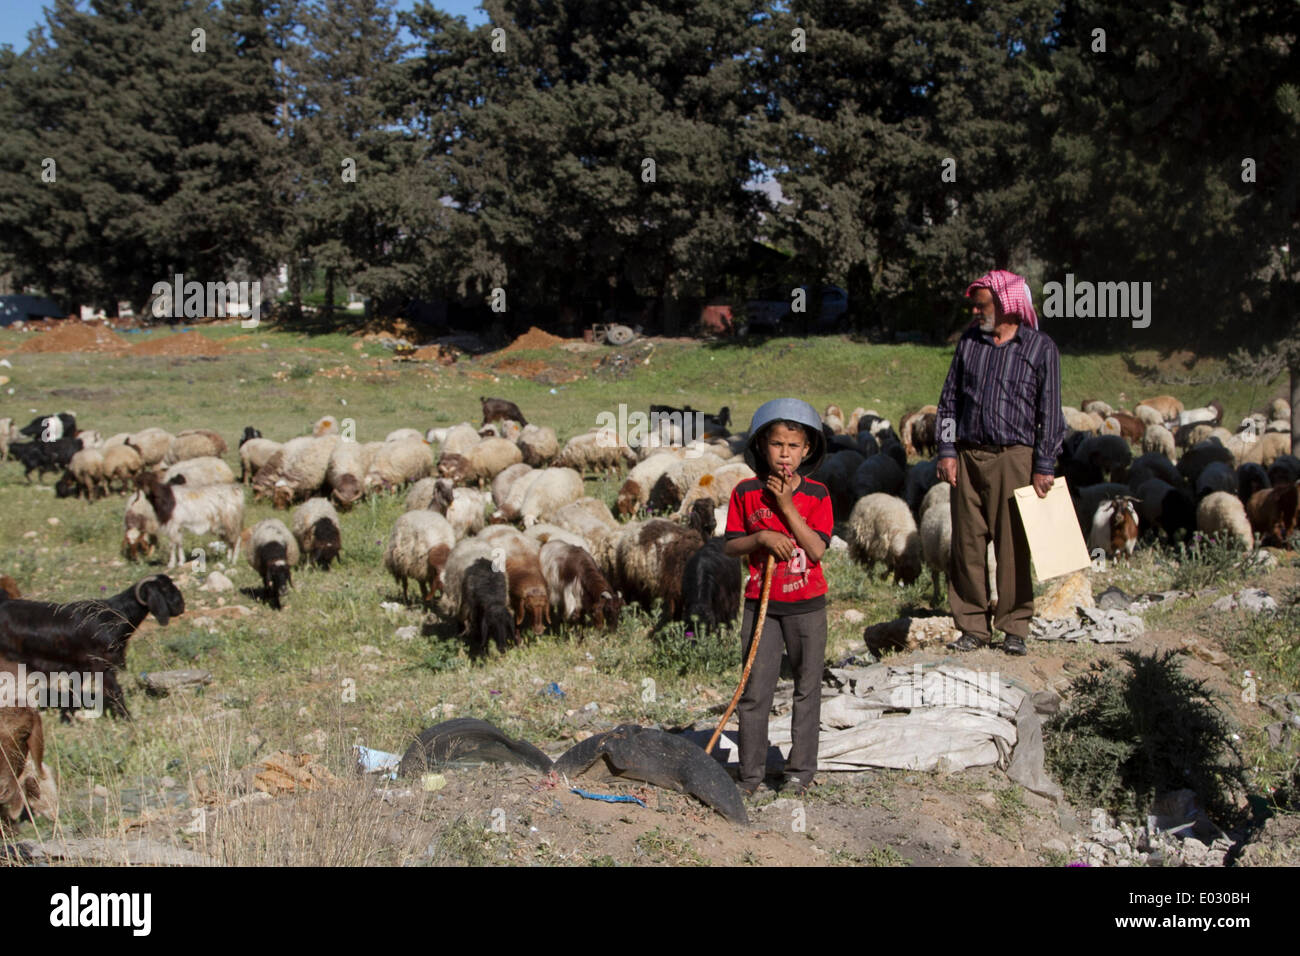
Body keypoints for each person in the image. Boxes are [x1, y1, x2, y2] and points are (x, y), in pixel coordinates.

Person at [936, 270, 1064, 656]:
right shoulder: (969, 344)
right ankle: (973, 626)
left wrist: (1044, 464)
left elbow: (1051, 411)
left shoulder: (1040, 348)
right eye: (974, 305)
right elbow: (949, 401)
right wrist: (946, 451)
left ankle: (1014, 627)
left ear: (1007, 304)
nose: (975, 311)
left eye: (982, 304)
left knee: (1013, 546)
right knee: (967, 545)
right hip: (968, 456)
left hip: (1015, 457)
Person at [723, 398, 833, 796]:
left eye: (793, 446)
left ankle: (800, 771)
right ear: (761, 446)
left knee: (807, 687)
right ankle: (750, 776)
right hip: (761, 606)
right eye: (776, 445)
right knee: (755, 690)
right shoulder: (746, 492)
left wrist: (786, 506)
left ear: (806, 450)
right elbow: (731, 546)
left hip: (807, 606)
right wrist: (762, 538)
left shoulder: (818, 494)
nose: (784, 454)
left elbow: (816, 550)